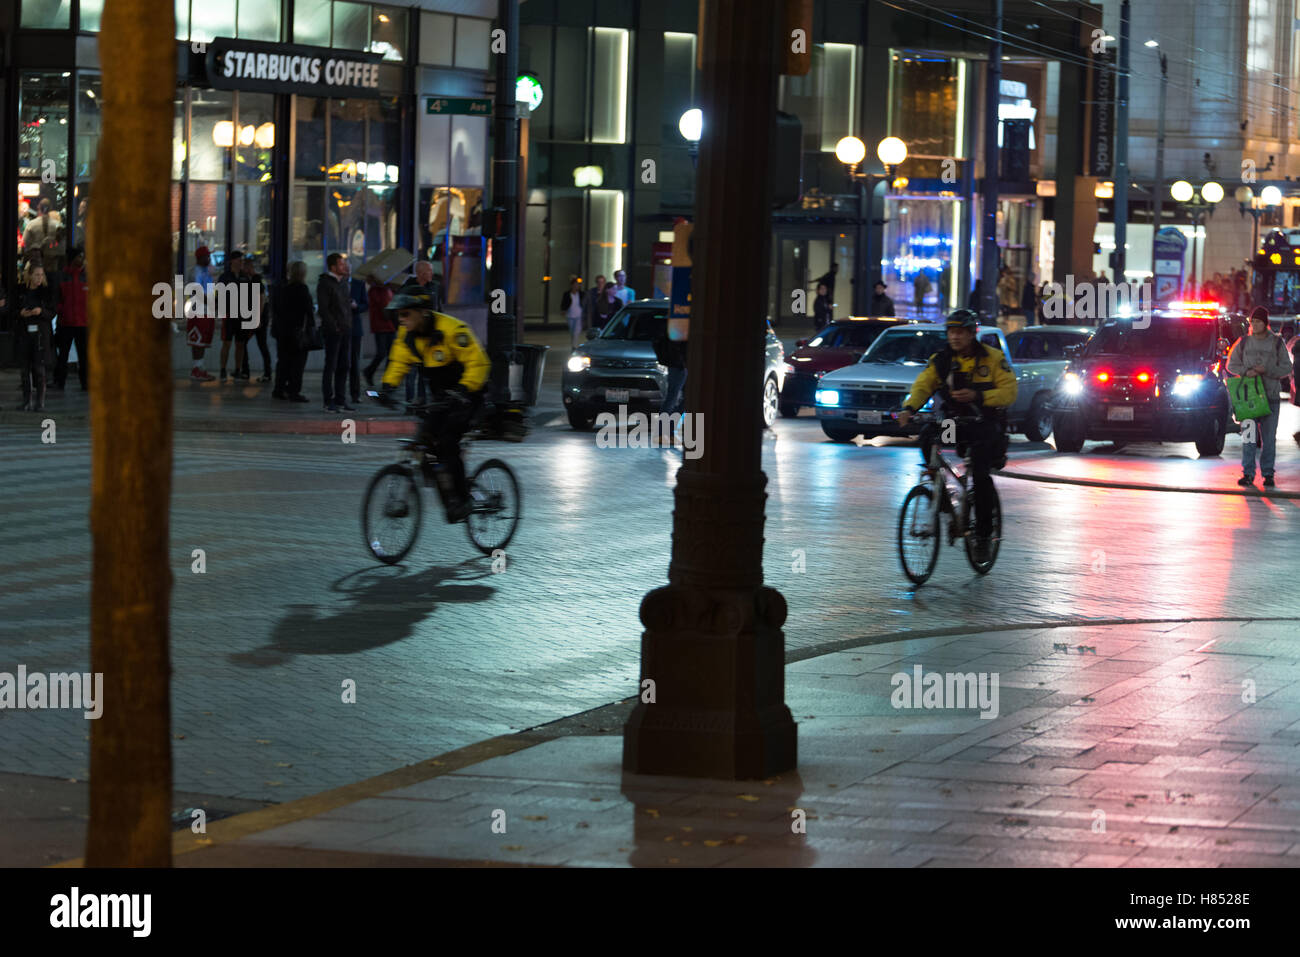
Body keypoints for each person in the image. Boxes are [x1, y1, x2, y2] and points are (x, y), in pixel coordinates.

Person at [897, 309, 1018, 563]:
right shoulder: (941, 360)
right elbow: (923, 385)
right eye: (951, 332)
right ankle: (939, 492)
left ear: (972, 333)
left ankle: (984, 536)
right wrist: (909, 409)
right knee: (930, 436)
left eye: (961, 332)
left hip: (986, 423)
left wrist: (980, 396)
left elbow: (1009, 392)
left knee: (982, 475)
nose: (955, 337)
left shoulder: (993, 358)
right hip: (955, 423)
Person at [375, 290, 491, 522]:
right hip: (441, 399)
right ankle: (446, 492)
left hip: (469, 396)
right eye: (398, 315)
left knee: (448, 442)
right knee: (425, 439)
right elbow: (398, 360)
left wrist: (464, 389)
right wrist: (388, 387)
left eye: (406, 314)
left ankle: (462, 500)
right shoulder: (408, 335)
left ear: (423, 312)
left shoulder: (452, 331)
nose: (401, 319)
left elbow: (478, 363)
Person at [1227, 306, 1292, 488]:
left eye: (1258, 322)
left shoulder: (1277, 343)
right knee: (1248, 438)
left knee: (1269, 439)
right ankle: (1247, 474)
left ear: (1265, 323)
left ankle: (1268, 474)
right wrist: (1246, 372)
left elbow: (1287, 368)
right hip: (1249, 398)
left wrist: (1269, 371)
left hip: (1270, 397)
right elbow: (1231, 365)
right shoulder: (1243, 342)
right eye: (1252, 322)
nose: (1254, 325)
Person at [13, 262, 56, 412]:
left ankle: (40, 402)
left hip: (40, 334)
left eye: (41, 275)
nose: (39, 278)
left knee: (39, 368)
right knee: (24, 369)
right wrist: (21, 313)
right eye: (36, 275)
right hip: (24, 333)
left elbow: (52, 312)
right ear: (29, 275)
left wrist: (41, 311)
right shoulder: (21, 291)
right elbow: (13, 309)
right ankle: (26, 401)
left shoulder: (46, 292)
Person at [317, 252, 354, 413]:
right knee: (331, 365)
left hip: (345, 329)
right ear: (333, 267)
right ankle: (328, 400)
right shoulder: (325, 283)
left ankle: (340, 399)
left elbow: (345, 304)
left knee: (344, 365)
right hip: (334, 331)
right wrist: (334, 326)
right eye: (341, 264)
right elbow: (324, 309)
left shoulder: (343, 283)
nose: (344, 266)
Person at [270, 261, 313, 402]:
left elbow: (276, 309)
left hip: (282, 332)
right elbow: (308, 310)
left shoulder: (282, 288)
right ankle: (294, 391)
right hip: (297, 332)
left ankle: (279, 388)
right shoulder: (302, 288)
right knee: (297, 363)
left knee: (283, 361)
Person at [52, 247, 89, 391]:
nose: (82, 259)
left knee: (83, 355)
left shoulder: (86, 276)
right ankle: (59, 381)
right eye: (80, 256)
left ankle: (85, 383)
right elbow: (56, 299)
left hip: (83, 322)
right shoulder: (62, 276)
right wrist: (61, 311)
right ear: (73, 259)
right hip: (66, 322)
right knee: (63, 354)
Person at [237, 255, 273, 383]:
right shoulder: (253, 279)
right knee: (251, 344)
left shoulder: (256, 279)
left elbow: (261, 299)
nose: (242, 269)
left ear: (249, 267)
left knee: (258, 344)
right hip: (255, 316)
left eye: (244, 267)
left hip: (257, 317)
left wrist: (257, 318)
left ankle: (255, 372)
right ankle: (252, 372)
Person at [217, 251, 249, 381]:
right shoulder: (225, 277)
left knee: (240, 344)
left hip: (242, 314)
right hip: (229, 314)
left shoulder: (245, 277)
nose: (241, 262)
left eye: (242, 260)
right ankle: (223, 370)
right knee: (227, 343)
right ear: (232, 261)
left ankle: (237, 370)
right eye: (239, 260)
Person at [186, 246, 216, 380]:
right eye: (207, 256)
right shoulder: (195, 272)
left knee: (203, 341)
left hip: (206, 311)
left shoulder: (206, 271)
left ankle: (200, 367)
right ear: (200, 258)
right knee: (197, 340)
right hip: (198, 311)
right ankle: (196, 369)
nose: (209, 259)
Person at [363, 274, 396, 391]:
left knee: (391, 355)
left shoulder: (388, 289)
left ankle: (387, 381)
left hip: (390, 326)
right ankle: (369, 372)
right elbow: (384, 306)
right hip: (381, 326)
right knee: (382, 353)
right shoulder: (375, 290)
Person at [348, 263, 368, 404]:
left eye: (347, 268)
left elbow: (365, 304)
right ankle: (337, 394)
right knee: (340, 362)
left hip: (355, 328)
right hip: (340, 328)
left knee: (355, 362)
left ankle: (355, 394)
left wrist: (357, 307)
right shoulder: (336, 284)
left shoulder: (358, 284)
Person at [561, 276, 585, 348]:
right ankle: (573, 344)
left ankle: (574, 346)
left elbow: (585, 303)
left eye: (578, 284)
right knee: (572, 332)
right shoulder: (567, 294)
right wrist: (563, 310)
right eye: (575, 284)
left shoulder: (582, 294)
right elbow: (563, 303)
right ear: (571, 285)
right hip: (570, 315)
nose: (576, 286)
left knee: (576, 332)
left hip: (579, 315)